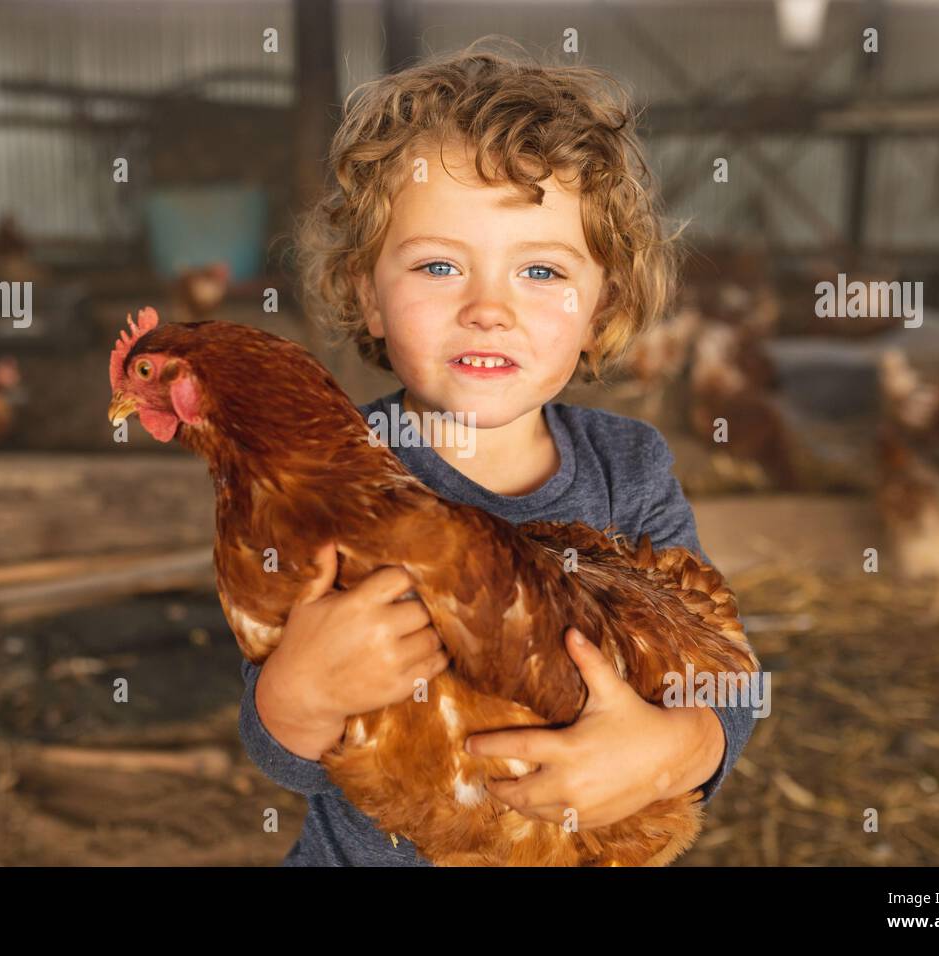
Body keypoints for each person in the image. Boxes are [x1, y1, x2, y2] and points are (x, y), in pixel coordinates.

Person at [238, 39, 757, 866]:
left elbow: (729, 673)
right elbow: (284, 760)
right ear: (368, 296)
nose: (488, 308)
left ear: (601, 305)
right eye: (440, 265)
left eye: (542, 272)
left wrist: (677, 750)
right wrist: (297, 697)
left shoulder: (630, 467)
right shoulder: (324, 478)